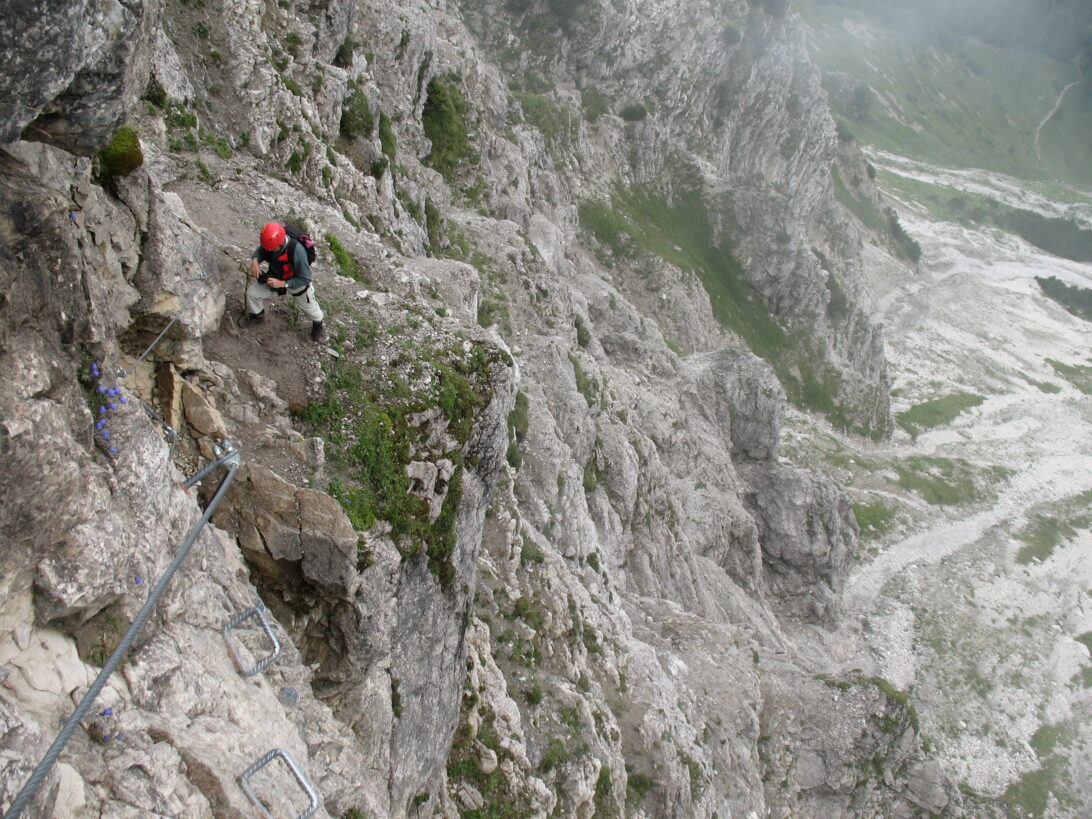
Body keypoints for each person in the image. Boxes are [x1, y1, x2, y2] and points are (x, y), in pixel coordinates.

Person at [238, 222, 324, 341]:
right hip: (275, 277)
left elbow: (306, 278)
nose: (268, 250)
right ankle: (258, 315)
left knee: (311, 310)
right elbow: (261, 251)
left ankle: (318, 326)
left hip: (297, 283)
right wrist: (255, 260)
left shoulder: (297, 252)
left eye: (270, 248)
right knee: (252, 294)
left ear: (280, 243)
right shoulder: (271, 244)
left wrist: (284, 284)